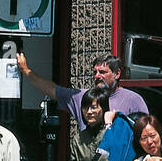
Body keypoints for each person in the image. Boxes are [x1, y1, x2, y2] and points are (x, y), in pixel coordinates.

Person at [16, 50, 148, 131]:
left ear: (117, 74)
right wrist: (26, 70)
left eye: (102, 72)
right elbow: (52, 90)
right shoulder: (82, 97)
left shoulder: (133, 100)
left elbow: (145, 134)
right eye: (95, 72)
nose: (97, 76)